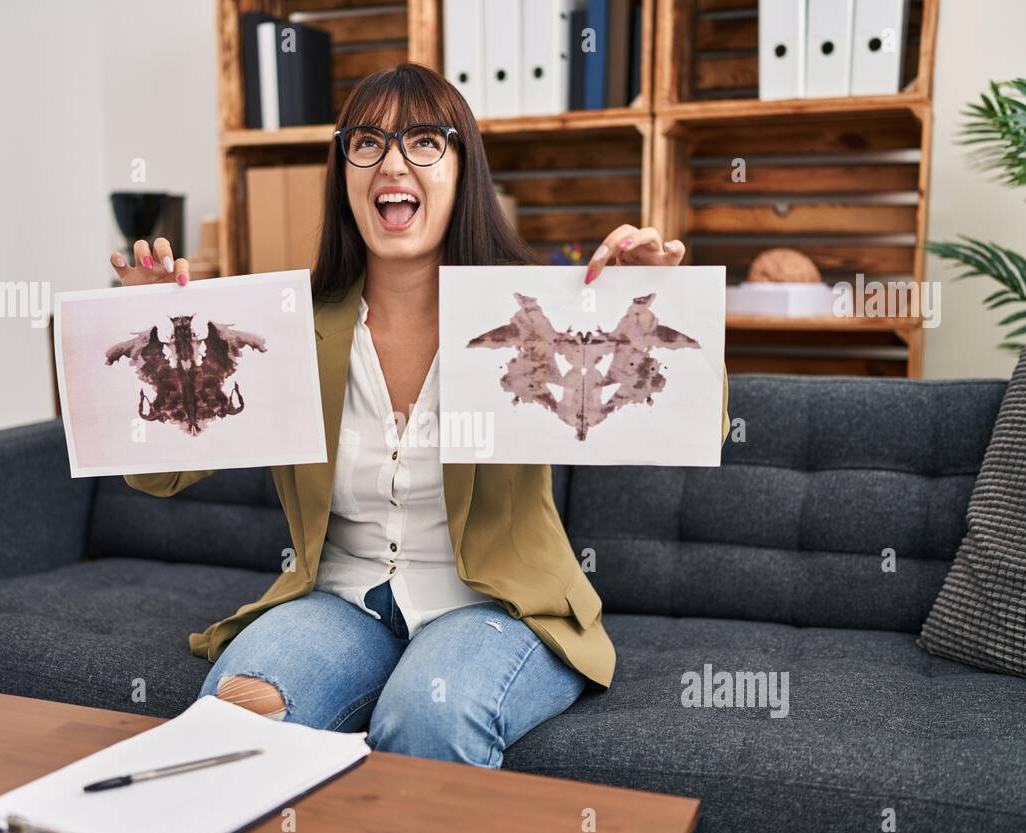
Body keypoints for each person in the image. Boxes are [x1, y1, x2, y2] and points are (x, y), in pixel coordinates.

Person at [111, 63, 729, 769]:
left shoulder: (534, 315)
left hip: (496, 608)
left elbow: (692, 430)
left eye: (425, 142)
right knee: (239, 713)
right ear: (342, 171)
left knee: (426, 716)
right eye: (367, 143)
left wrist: (656, 302)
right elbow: (157, 478)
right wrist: (145, 325)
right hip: (343, 601)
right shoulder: (287, 330)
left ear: (464, 168)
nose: (392, 163)